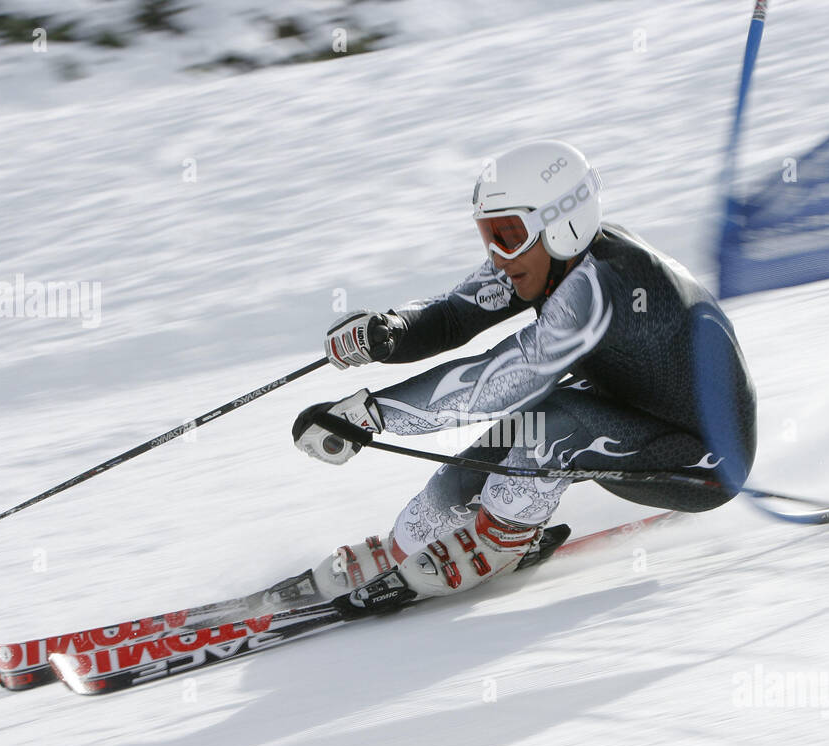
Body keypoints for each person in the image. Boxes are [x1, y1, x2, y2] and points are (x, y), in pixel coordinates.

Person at [292, 140, 756, 602]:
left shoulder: (596, 288)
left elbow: (497, 381)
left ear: (563, 222)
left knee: (547, 427)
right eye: (487, 234)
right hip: (631, 410)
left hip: (701, 460)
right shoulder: (548, 257)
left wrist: (373, 415)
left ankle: (499, 540)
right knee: (510, 434)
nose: (497, 255)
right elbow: (454, 316)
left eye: (509, 234)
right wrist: (387, 333)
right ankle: (408, 542)